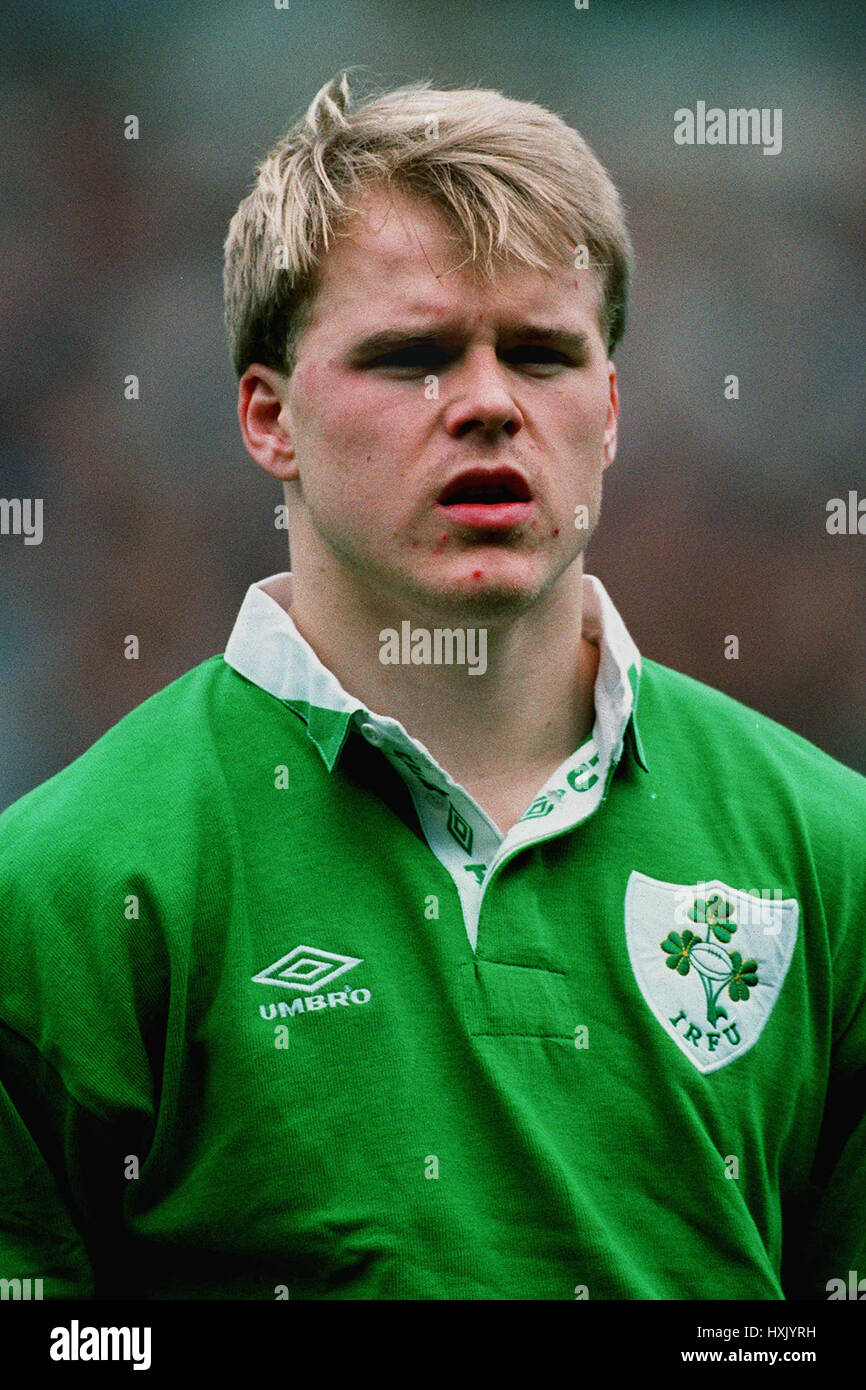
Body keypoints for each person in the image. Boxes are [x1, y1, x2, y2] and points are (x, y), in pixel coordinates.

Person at [1, 71, 864, 1302]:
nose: (487, 404)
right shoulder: (63, 892)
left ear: (608, 409)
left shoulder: (831, 856)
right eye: (410, 356)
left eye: (542, 353)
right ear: (268, 416)